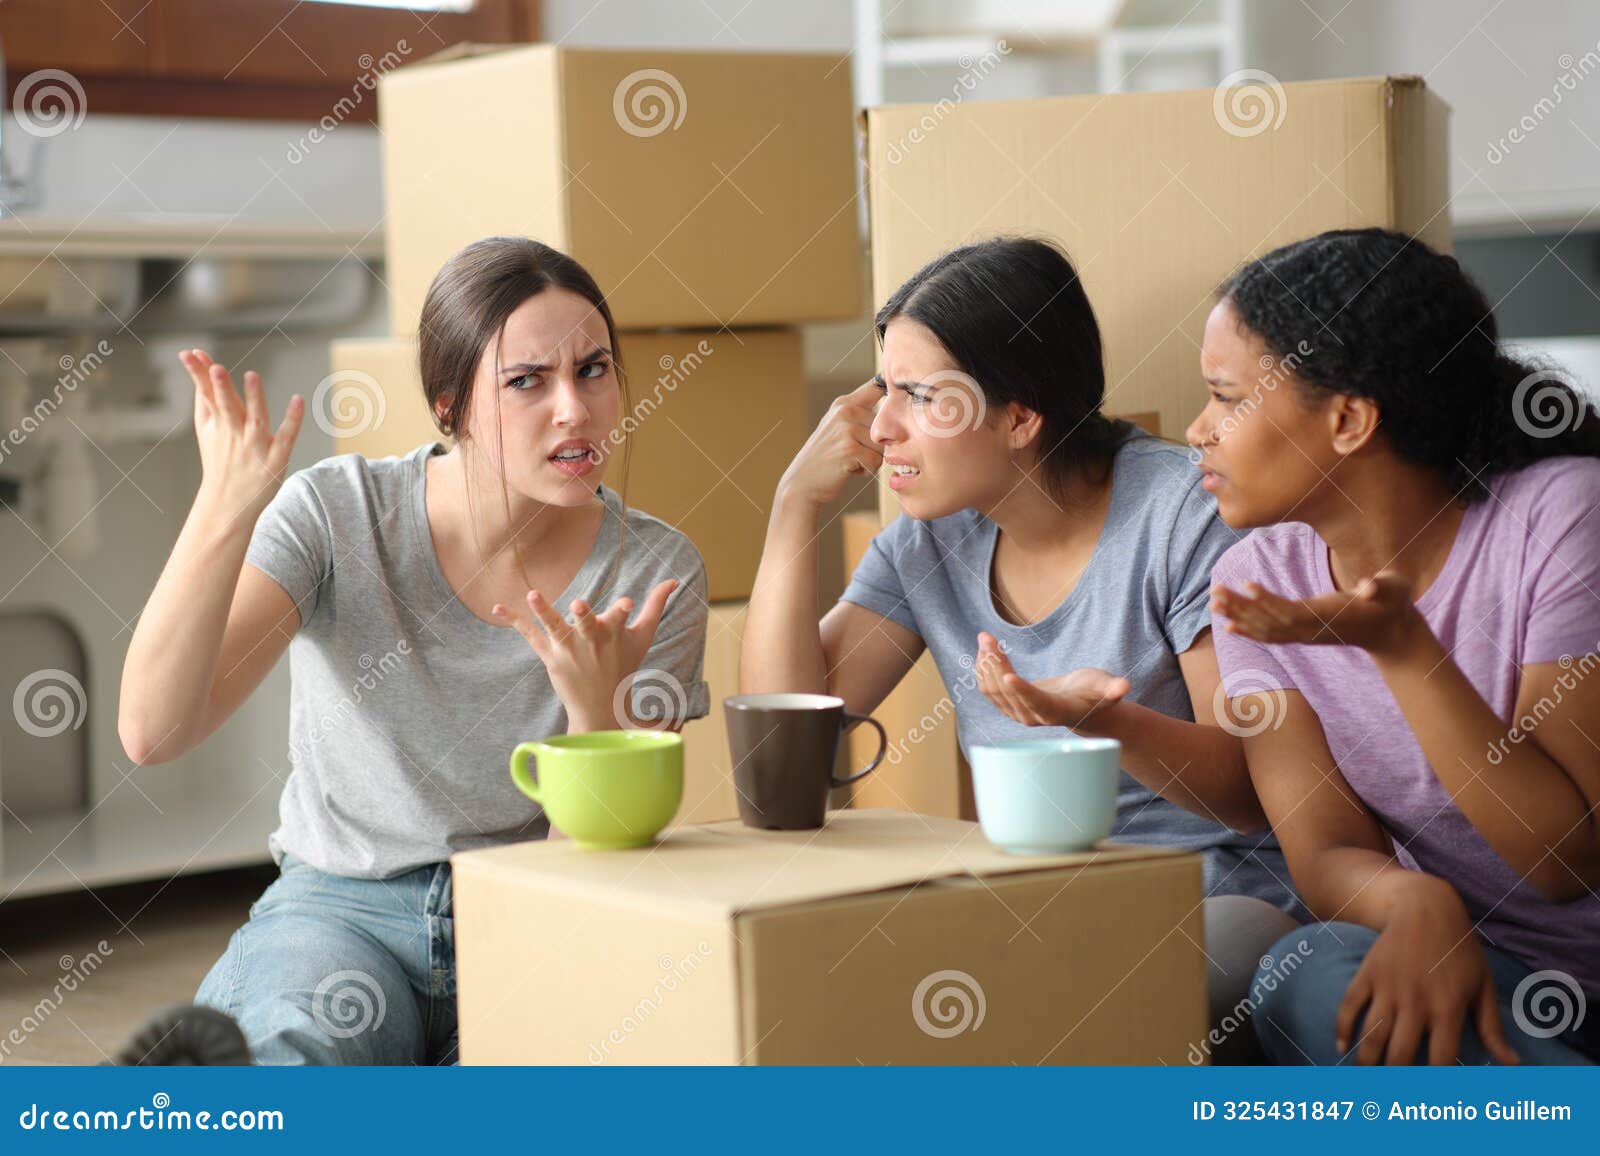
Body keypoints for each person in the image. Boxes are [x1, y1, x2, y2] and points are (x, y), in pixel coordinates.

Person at [117, 236, 709, 1064]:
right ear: (449, 405)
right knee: (302, 1051)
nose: (575, 409)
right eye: (526, 382)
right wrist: (222, 511)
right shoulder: (337, 513)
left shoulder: (653, 570)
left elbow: (595, 870)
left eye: (594, 369)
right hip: (342, 913)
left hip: (529, 912)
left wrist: (591, 717)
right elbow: (154, 731)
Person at [743, 236, 1302, 1062]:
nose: (882, 425)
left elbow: (1252, 787)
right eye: (883, 389)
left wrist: (1102, 720)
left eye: (921, 396)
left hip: (1210, 899)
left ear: (1018, 417)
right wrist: (793, 505)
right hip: (1029, 901)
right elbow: (779, 755)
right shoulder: (927, 542)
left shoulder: (1185, 516)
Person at [1190, 227, 1600, 1065]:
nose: (1199, 430)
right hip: (1484, 972)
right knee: (1302, 967)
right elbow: (1326, 847)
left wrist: (1407, 653)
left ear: (1346, 418)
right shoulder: (1256, 578)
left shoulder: (1564, 517)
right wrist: (1416, 904)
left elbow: (1563, 863)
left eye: (1227, 397)